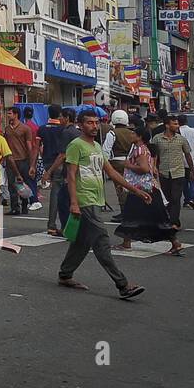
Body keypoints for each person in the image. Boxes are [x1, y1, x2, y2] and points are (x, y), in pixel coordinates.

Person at [56, 109, 146, 298]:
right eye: (90, 123)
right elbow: (70, 175)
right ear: (80, 125)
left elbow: (111, 172)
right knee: (101, 241)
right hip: (84, 199)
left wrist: (136, 190)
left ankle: (65, 274)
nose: (94, 126)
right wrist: (74, 202)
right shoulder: (76, 145)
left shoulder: (97, 146)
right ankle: (122, 284)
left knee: (82, 242)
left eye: (96, 123)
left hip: (96, 199)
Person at [115, 127, 182, 256]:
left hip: (145, 189)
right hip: (142, 188)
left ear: (140, 137)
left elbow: (144, 168)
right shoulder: (138, 149)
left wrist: (128, 165)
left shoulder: (140, 149)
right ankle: (126, 241)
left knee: (156, 218)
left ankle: (175, 242)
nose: (130, 135)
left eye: (133, 133)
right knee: (131, 215)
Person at [151, 113, 194, 233]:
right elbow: (154, 155)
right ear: (167, 125)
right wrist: (153, 168)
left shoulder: (181, 139)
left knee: (176, 198)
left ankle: (174, 222)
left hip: (178, 172)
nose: (177, 126)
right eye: (174, 124)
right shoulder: (157, 139)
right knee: (167, 198)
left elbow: (187, 154)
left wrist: (192, 170)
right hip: (163, 172)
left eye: (177, 124)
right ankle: (169, 219)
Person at [36, 104, 72, 236]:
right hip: (60, 163)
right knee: (59, 194)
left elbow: (36, 148)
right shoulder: (64, 129)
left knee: (57, 192)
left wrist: (33, 165)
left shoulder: (42, 129)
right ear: (60, 115)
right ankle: (55, 225)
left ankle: (53, 224)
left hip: (46, 162)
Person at [2, 107, 36, 214]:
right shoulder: (7, 129)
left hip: (23, 160)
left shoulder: (25, 129)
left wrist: (31, 164)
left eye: (10, 113)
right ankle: (14, 208)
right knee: (12, 185)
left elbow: (29, 146)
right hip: (10, 160)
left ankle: (25, 205)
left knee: (23, 184)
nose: (8, 115)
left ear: (16, 114)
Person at [177, 114, 194, 210]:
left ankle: (187, 200)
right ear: (186, 121)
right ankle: (192, 199)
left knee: (184, 182)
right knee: (192, 181)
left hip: (180, 160)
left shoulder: (176, 132)